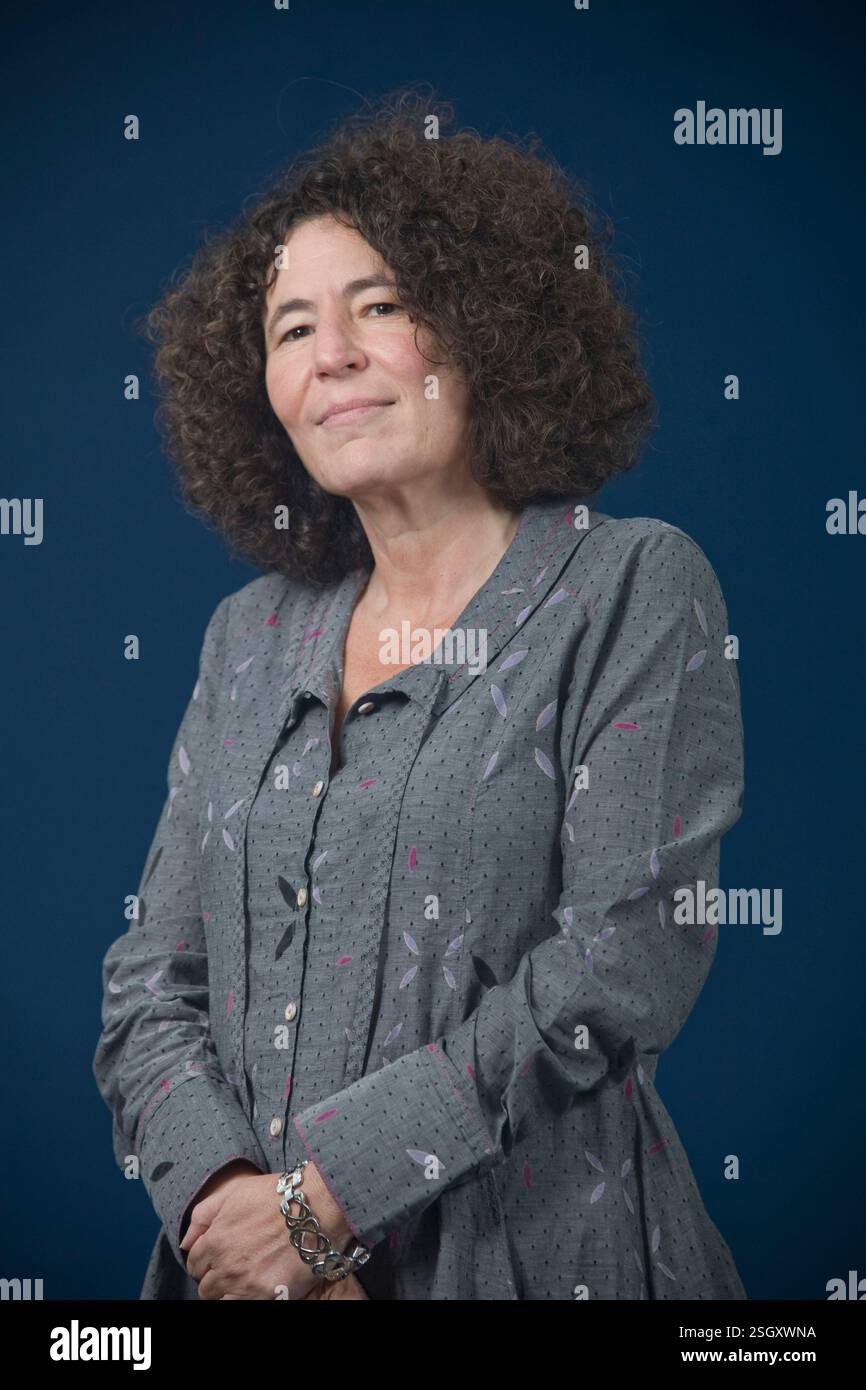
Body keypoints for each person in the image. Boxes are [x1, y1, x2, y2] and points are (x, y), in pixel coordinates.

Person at [92, 86, 746, 1300]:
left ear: (481, 328)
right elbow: (149, 981)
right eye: (290, 329)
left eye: (377, 306)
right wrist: (228, 1211)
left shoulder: (628, 584)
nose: (329, 355)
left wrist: (320, 1204)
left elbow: (624, 958)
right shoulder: (245, 638)